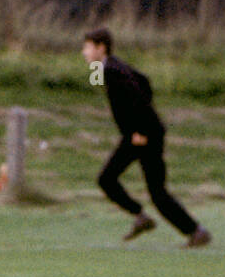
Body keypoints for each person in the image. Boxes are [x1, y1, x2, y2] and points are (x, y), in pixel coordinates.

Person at [81, 28, 211, 247]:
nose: (83, 52)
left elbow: (137, 95)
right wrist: (95, 67)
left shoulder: (113, 70)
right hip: (138, 133)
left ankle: (193, 231)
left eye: (87, 47)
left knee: (127, 184)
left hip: (144, 135)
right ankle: (149, 219)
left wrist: (140, 130)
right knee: (117, 181)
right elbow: (145, 81)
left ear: (100, 47)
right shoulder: (108, 66)